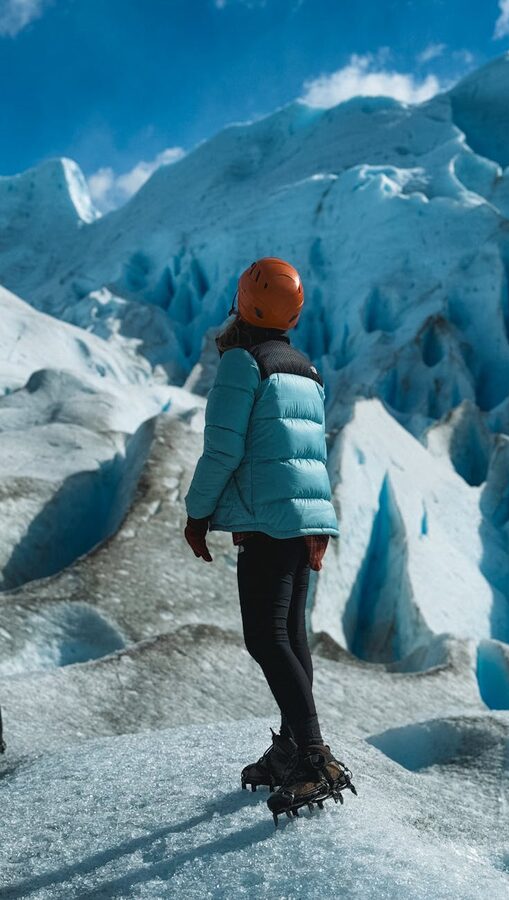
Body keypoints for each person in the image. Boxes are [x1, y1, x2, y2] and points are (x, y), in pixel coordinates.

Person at [183, 257, 356, 823]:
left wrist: (197, 513)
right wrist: (319, 523)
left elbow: (223, 450)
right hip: (300, 521)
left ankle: (311, 756)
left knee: (265, 636)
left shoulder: (243, 363)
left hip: (266, 522)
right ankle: (292, 748)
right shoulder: (304, 369)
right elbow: (312, 455)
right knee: (289, 634)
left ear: (242, 303)